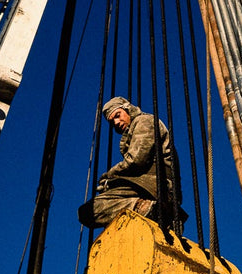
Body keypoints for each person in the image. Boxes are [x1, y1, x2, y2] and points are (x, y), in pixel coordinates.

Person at [78, 96, 183, 231]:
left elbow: (136, 160)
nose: (116, 122)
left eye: (117, 115)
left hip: (156, 186)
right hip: (146, 186)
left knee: (89, 211)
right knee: (90, 213)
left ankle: (150, 210)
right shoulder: (134, 129)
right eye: (112, 121)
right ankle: (147, 209)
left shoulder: (144, 122)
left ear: (127, 109)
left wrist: (109, 177)